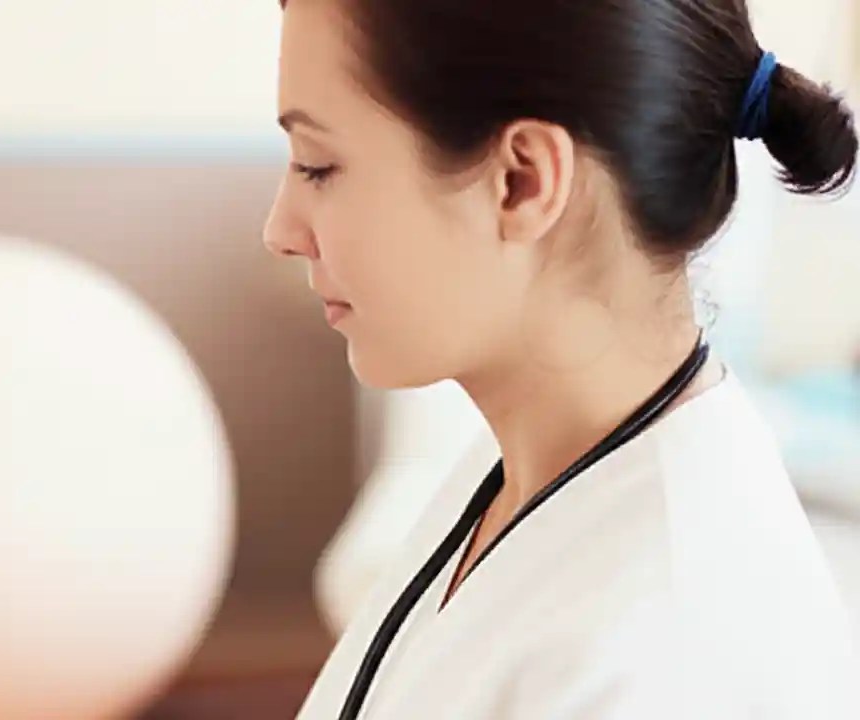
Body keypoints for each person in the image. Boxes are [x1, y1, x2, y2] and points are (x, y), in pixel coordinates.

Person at [261, 0, 860, 718]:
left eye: (317, 165)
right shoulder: (529, 471)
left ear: (522, 180)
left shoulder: (660, 649)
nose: (281, 230)